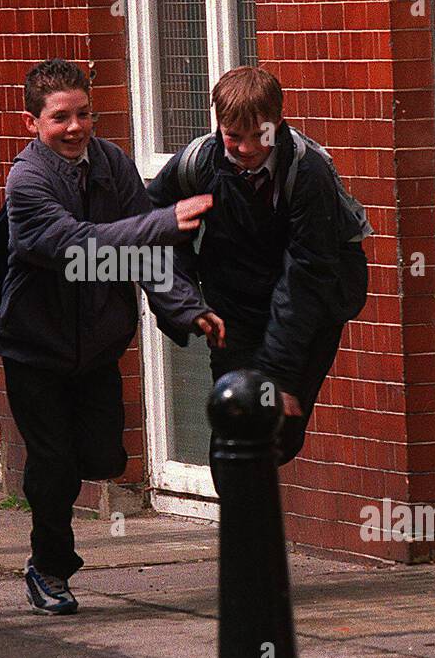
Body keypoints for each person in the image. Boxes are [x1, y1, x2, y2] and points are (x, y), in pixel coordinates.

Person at [0, 59, 224, 616]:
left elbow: (144, 254)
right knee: (53, 465)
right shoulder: (27, 180)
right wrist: (164, 221)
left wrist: (189, 309)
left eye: (84, 115)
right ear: (33, 124)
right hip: (34, 348)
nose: (74, 128)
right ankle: (49, 569)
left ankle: (53, 546)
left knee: (100, 458)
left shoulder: (112, 164)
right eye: (59, 118)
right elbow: (76, 247)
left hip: (95, 346)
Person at [147, 66, 370, 465]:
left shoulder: (308, 172)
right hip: (236, 307)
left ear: (278, 122)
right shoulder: (198, 161)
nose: (246, 149)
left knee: (279, 434)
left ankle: (253, 518)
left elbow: (307, 273)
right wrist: (185, 303)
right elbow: (150, 230)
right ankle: (237, 524)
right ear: (219, 125)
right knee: (236, 420)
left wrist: (277, 376)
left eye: (258, 136)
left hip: (311, 308)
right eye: (233, 137)